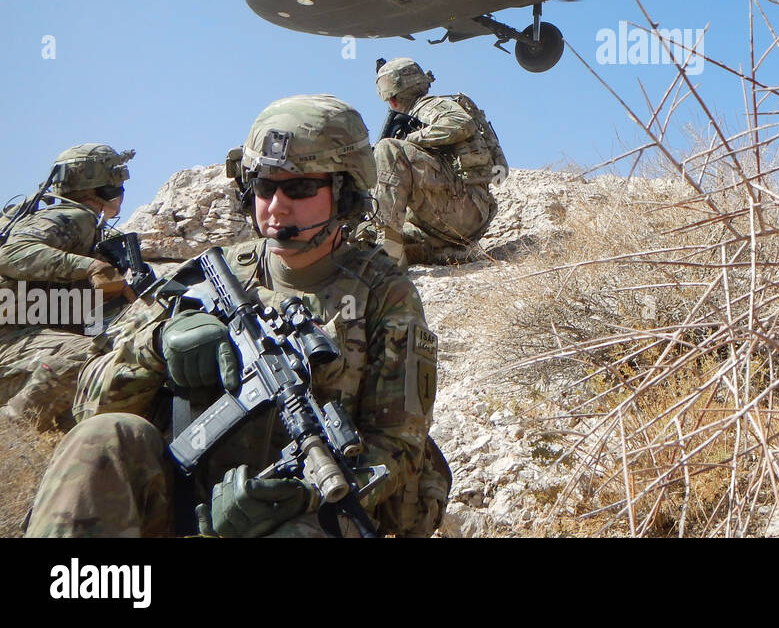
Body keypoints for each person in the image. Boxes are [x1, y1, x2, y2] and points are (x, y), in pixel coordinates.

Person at [26, 95, 448, 537]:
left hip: (302, 508)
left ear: (344, 190)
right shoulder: (209, 277)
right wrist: (154, 349)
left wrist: (301, 493)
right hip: (181, 494)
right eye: (265, 186)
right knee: (104, 439)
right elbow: (89, 404)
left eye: (299, 188)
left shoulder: (385, 293)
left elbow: (399, 447)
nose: (276, 206)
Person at [0, 144, 135, 429]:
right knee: (93, 359)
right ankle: (10, 433)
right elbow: (10, 255)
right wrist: (90, 267)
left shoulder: (65, 221)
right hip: (10, 342)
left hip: (23, 342)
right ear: (108, 187)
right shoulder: (75, 217)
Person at [372, 58, 506, 267]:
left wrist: (410, 140)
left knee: (386, 149)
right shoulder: (424, 113)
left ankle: (391, 257)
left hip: (463, 208)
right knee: (372, 240)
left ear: (392, 100)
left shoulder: (429, 106)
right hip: (464, 216)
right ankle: (443, 252)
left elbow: (462, 123)